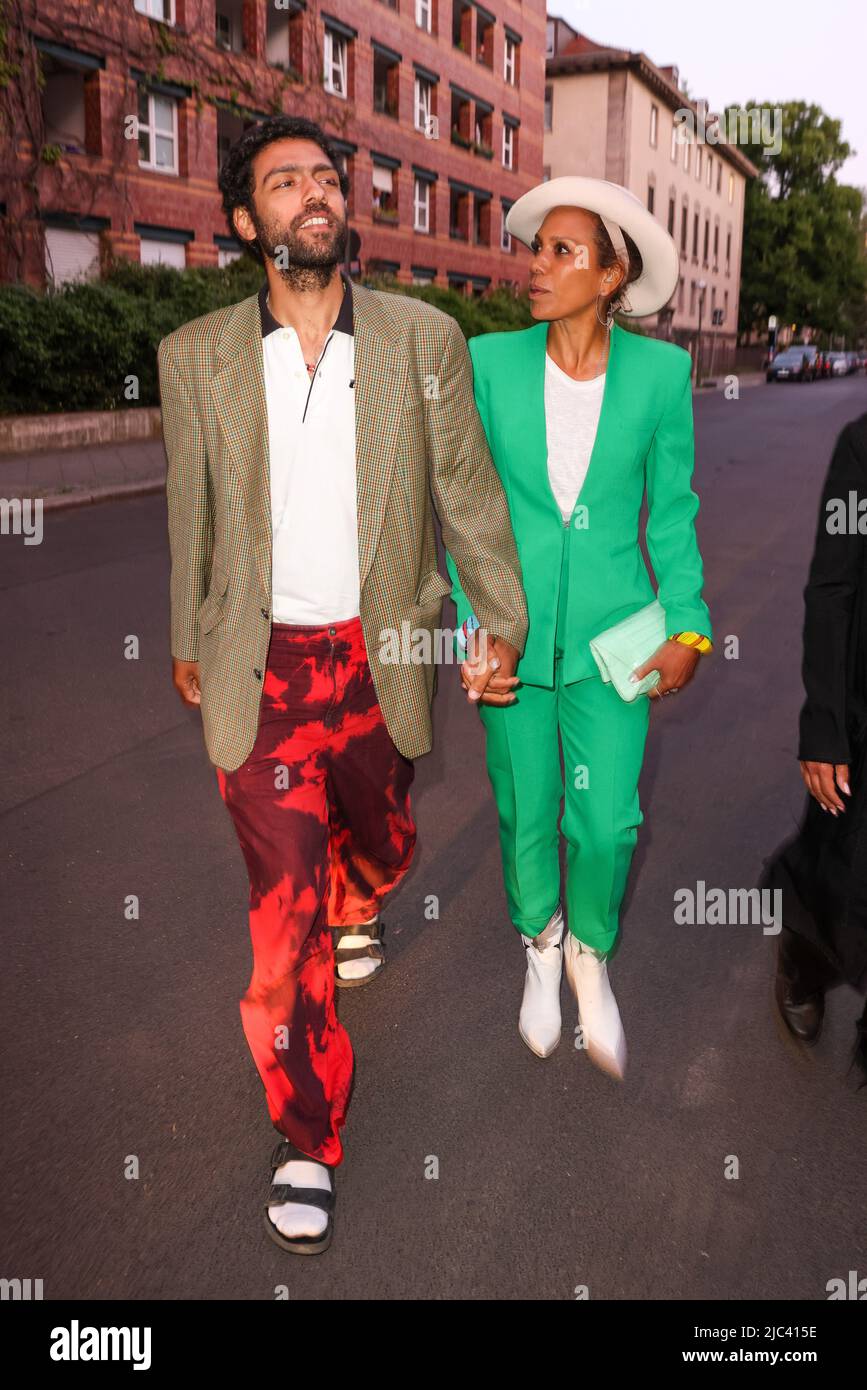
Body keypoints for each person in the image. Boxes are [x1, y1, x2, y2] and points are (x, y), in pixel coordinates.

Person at [158, 115, 528, 1254]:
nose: (314, 193)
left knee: (378, 828)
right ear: (243, 221)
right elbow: (195, 513)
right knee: (284, 931)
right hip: (260, 668)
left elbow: (465, 491)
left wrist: (498, 619)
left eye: (327, 176)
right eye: (285, 182)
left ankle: (370, 883)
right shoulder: (196, 356)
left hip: (386, 656)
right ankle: (309, 1133)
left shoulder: (422, 338)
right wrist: (188, 631)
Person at [446, 176, 713, 1079]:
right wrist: (481, 631)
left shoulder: (662, 375)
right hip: (509, 642)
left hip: (615, 643)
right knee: (525, 813)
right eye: (535, 248)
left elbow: (671, 512)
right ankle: (539, 942)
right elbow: (467, 511)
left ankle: (589, 953)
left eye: (563, 252)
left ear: (610, 276)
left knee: (604, 823)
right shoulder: (488, 362)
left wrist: (689, 625)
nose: (537, 265)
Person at [760, 413, 867, 1086]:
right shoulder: (863, 446)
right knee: (845, 869)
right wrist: (824, 724)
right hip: (862, 711)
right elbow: (832, 589)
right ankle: (805, 954)